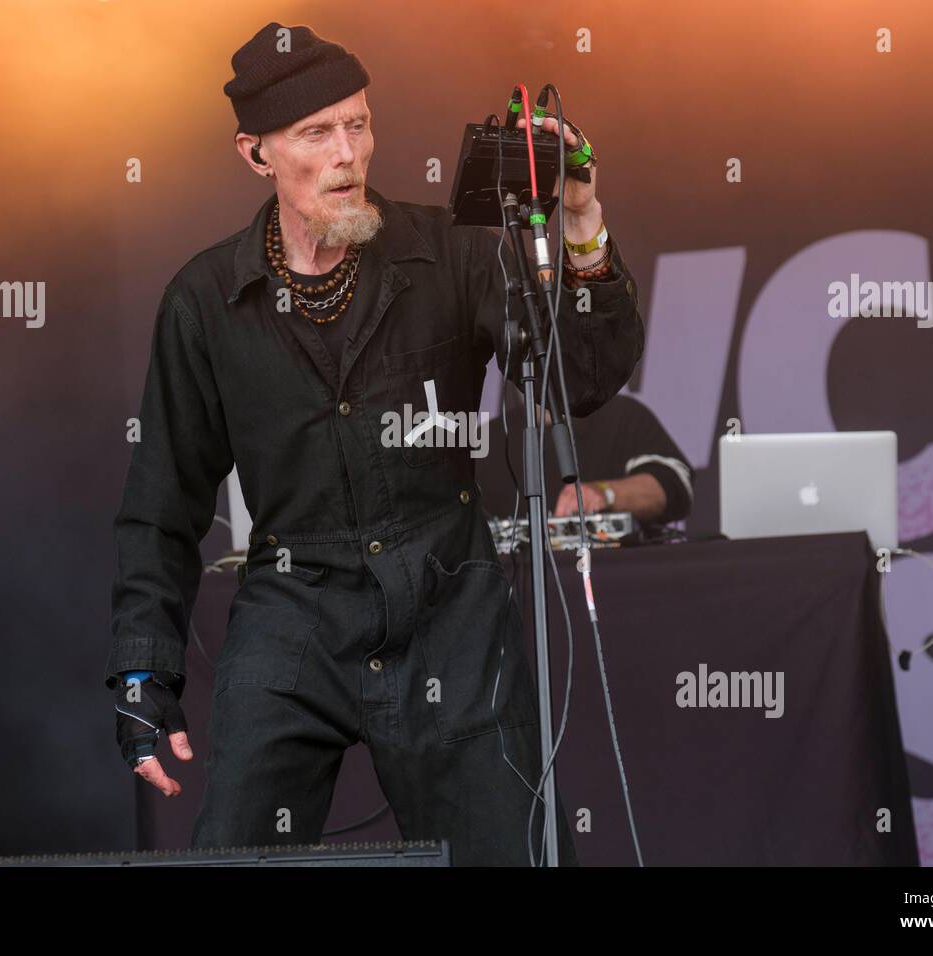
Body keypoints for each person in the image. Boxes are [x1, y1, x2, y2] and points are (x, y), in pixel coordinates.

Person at [104, 21, 644, 866]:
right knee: (234, 850)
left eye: (358, 124)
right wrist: (146, 671)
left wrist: (580, 229)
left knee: (513, 849)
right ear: (257, 155)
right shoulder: (206, 300)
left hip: (450, 606)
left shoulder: (453, 253)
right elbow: (161, 506)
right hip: (293, 609)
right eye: (316, 133)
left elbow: (577, 381)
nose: (347, 153)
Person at [476, 389, 694, 533]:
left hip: (618, 586)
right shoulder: (488, 438)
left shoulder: (621, 416)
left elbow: (674, 485)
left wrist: (605, 494)